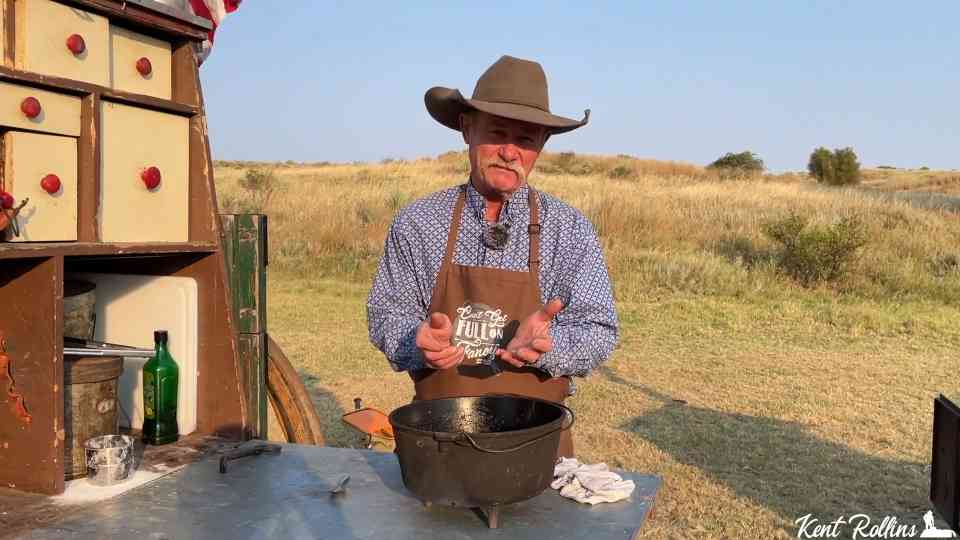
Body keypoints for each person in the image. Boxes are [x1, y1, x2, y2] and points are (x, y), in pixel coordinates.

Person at [366, 55, 619, 457]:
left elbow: (600, 330)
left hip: (538, 450)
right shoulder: (418, 222)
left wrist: (550, 345)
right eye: (498, 132)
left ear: (541, 147)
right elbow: (386, 313)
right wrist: (417, 340)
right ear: (467, 129)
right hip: (436, 445)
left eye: (527, 139)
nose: (510, 152)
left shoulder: (569, 228)